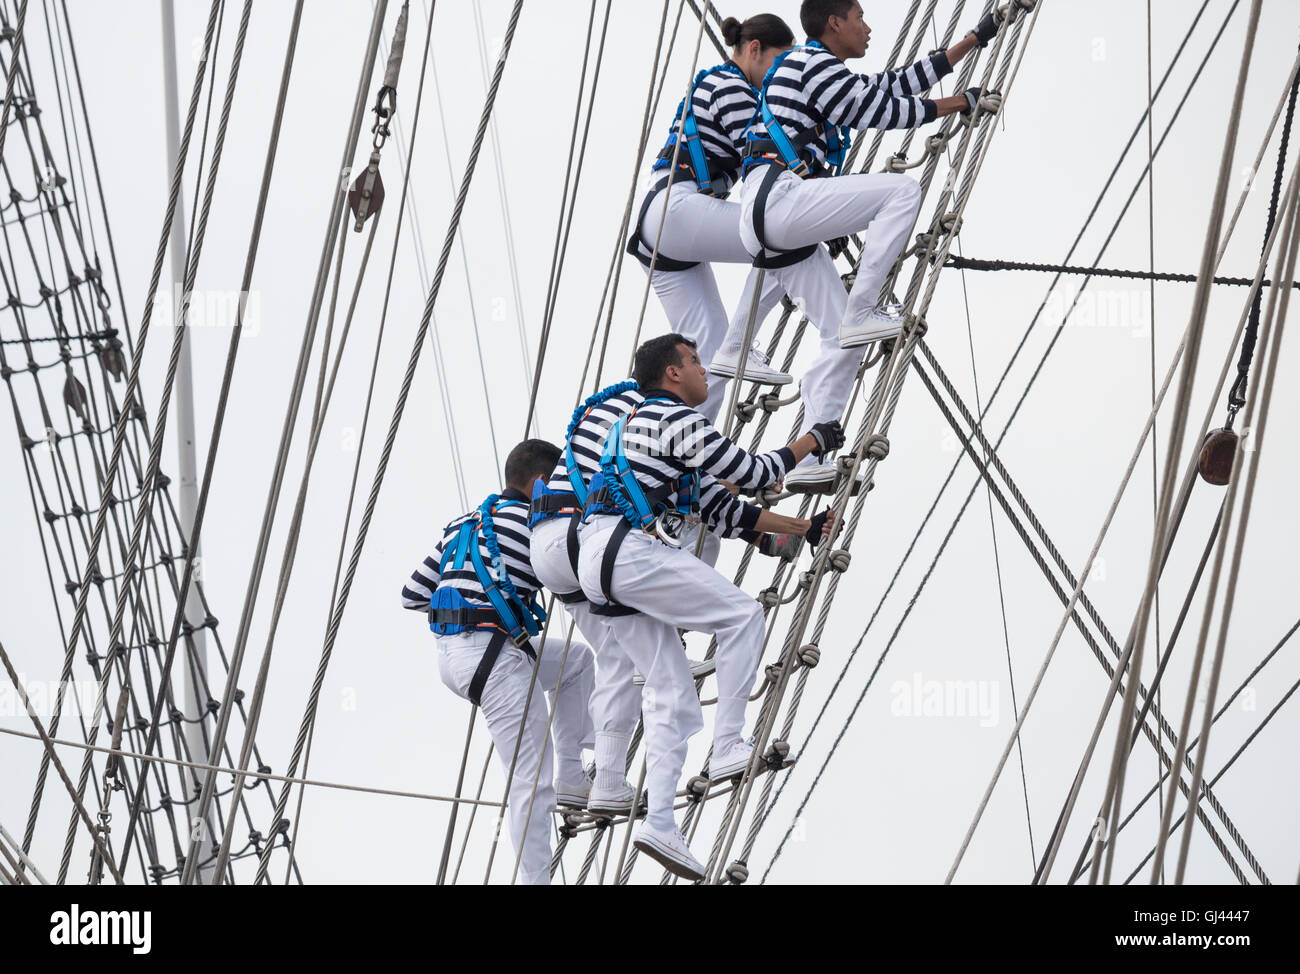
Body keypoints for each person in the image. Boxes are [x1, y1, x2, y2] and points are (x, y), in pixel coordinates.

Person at [576, 334, 840, 880]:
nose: (704, 371)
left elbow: (725, 510)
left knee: (673, 695)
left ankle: (662, 824)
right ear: (672, 374)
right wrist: (813, 438)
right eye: (695, 362)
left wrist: (803, 528)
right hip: (628, 550)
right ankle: (727, 746)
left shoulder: (639, 427)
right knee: (743, 615)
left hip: (600, 562)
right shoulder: (674, 418)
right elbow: (754, 473)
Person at [731, 0, 1003, 491]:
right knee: (901, 191)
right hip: (779, 200)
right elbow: (875, 110)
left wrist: (971, 42)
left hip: (771, 217)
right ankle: (866, 307)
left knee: (841, 339)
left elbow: (891, 85)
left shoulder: (820, 70)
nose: (868, 27)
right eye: (860, 18)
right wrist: (957, 104)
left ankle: (811, 451)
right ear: (834, 23)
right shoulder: (812, 63)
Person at [401, 439, 596, 886]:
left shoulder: (461, 524)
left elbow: (412, 594)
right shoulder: (535, 519)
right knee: (530, 779)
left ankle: (571, 773)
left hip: (455, 658)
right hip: (495, 657)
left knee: (575, 662)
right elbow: (577, 571)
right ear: (543, 483)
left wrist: (468, 599)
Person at [627, 13, 798, 422]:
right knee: (785, 234)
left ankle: (681, 460)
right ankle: (742, 344)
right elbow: (764, 154)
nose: (780, 76)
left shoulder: (715, 82)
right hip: (676, 209)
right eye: (779, 62)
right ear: (754, 50)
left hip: (662, 225)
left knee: (705, 361)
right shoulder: (731, 87)